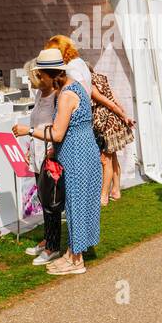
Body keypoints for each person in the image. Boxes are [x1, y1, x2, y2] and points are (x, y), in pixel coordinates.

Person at [12, 48, 101, 275]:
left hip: (77, 155)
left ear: (52, 74)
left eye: (41, 75)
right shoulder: (75, 85)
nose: (40, 79)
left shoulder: (67, 95)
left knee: (76, 206)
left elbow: (59, 132)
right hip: (81, 151)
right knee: (77, 205)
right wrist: (54, 149)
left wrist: (28, 130)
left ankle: (76, 260)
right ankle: (72, 252)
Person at [19, 61, 64, 266]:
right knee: (43, 197)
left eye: (31, 78)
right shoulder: (39, 94)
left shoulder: (57, 96)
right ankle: (48, 238)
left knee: (51, 202)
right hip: (37, 152)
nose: (29, 82)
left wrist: (52, 149)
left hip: (49, 153)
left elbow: (58, 127)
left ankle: (53, 246)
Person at [91, 71, 134, 205]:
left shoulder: (91, 85)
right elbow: (115, 101)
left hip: (105, 125)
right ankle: (116, 190)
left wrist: (124, 116)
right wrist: (124, 116)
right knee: (112, 157)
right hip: (113, 123)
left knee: (105, 160)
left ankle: (103, 196)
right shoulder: (102, 78)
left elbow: (110, 104)